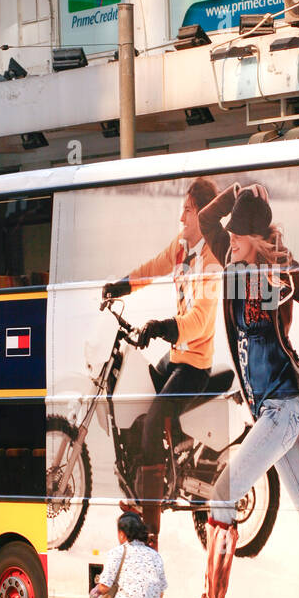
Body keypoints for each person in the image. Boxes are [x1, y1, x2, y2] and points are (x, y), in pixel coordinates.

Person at [176, 182, 299, 598]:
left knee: (222, 493)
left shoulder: (279, 273)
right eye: (231, 235)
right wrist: (235, 191)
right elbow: (205, 222)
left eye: (240, 236)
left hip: (286, 406)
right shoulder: (233, 264)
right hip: (271, 411)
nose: (230, 240)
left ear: (258, 240)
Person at [102, 177, 221, 548]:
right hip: (175, 357)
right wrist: (121, 286)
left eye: (186, 209)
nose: (180, 215)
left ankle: (149, 533)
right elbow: (153, 267)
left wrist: (163, 327)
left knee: (155, 417)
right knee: (139, 401)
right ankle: (143, 493)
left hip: (194, 367)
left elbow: (200, 321)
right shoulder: (183, 247)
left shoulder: (211, 262)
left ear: (202, 214)